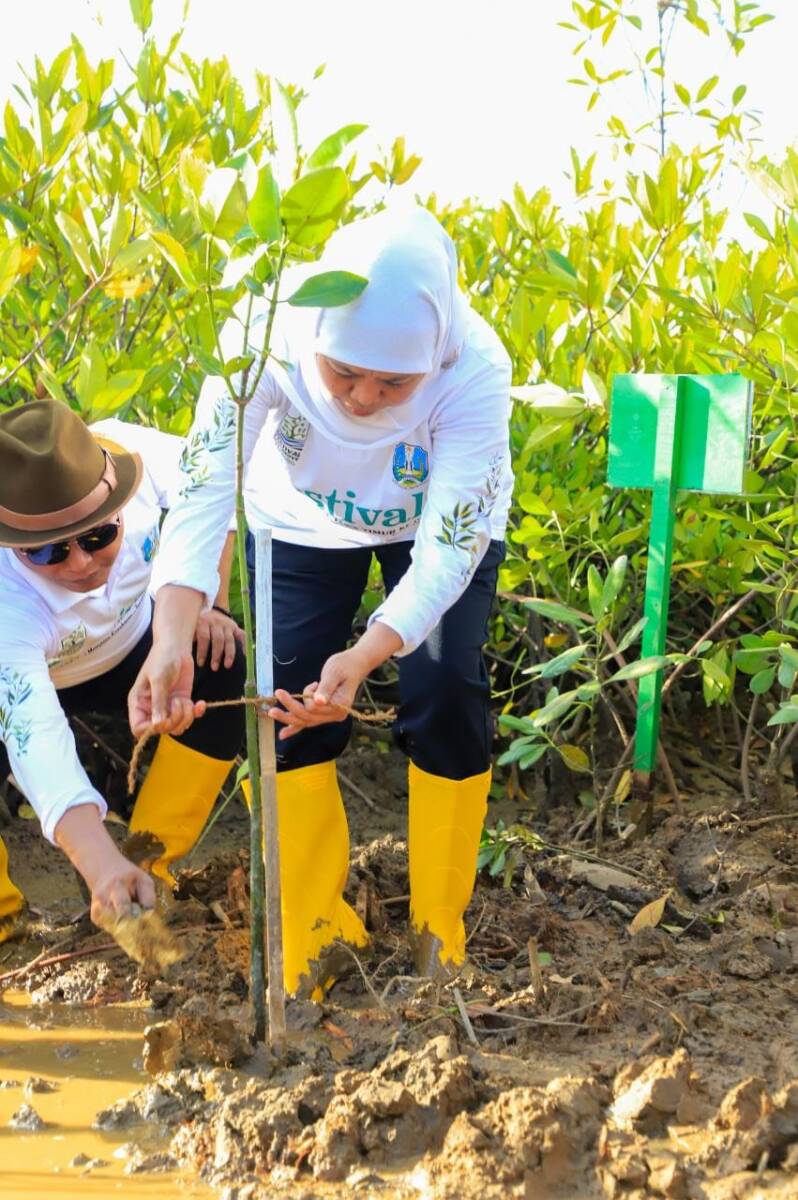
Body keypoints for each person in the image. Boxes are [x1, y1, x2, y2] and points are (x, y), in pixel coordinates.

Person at [129, 207, 512, 998]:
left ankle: (440, 927)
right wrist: (170, 634)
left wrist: (371, 650)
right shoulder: (261, 332)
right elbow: (204, 490)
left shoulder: (474, 366)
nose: (364, 397)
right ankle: (314, 922)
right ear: (313, 341)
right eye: (343, 374)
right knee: (287, 703)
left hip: (435, 530)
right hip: (300, 519)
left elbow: (447, 549)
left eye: (392, 382)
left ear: (434, 354)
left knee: (444, 691)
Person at [0, 400, 245, 937]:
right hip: (34, 676)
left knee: (220, 655)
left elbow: (211, 497)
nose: (81, 564)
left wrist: (210, 606)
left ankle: (146, 869)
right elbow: (34, 738)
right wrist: (97, 864)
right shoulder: (5, 603)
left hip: (137, 645)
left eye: (97, 537)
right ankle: (4, 918)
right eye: (47, 554)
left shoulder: (139, 454)